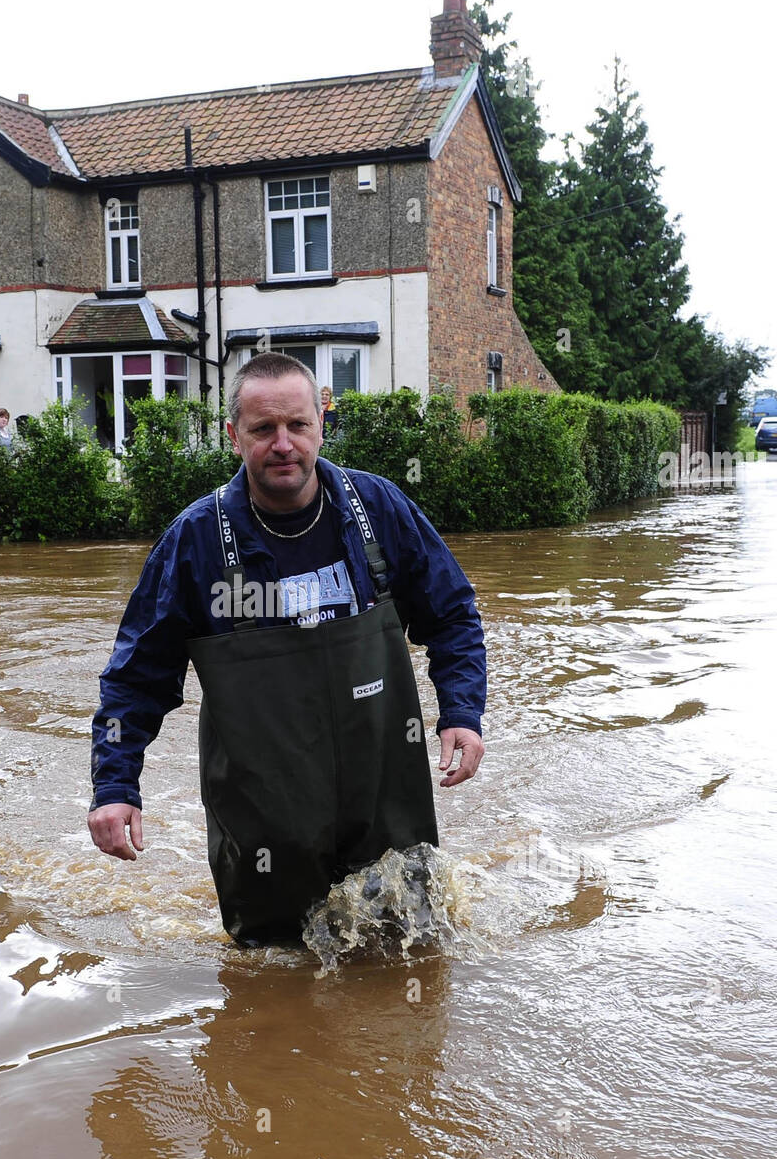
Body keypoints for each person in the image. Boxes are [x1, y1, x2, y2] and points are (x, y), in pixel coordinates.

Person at [87, 352, 486, 947]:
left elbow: (453, 614)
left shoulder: (378, 511)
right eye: (263, 429)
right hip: (263, 816)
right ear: (232, 437)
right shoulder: (195, 542)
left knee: (414, 953)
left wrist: (461, 712)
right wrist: (115, 786)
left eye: (297, 425)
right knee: (270, 981)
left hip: (383, 794)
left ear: (321, 425)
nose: (283, 444)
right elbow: (134, 678)